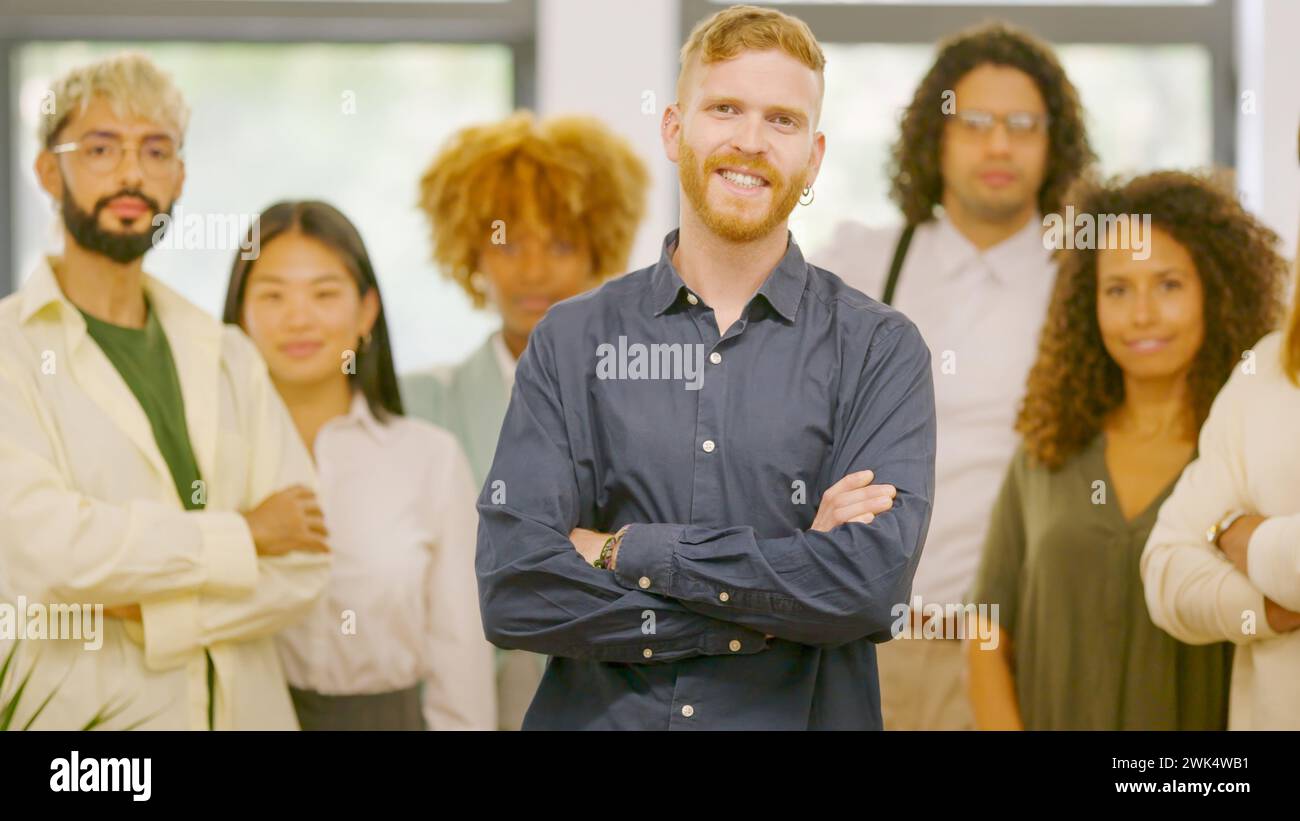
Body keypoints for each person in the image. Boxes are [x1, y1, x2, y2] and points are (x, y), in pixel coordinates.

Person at [476, 3, 934, 730]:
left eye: (781, 121)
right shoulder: (570, 339)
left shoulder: (880, 349)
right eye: (724, 108)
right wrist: (777, 597)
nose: (750, 141)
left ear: (812, 157)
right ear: (674, 129)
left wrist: (625, 548)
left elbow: (866, 589)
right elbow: (516, 589)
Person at [0, 53, 330, 730]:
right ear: (46, 170)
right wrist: (245, 534)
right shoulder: (11, 349)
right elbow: (48, 553)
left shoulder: (227, 352)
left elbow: (303, 563)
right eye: (100, 148)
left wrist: (144, 609)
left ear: (179, 175)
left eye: (156, 150)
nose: (131, 173)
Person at [809, 20, 1093, 730]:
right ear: (934, 136)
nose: (999, 144)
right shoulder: (865, 263)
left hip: (1019, 649)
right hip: (868, 643)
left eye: (1023, 124)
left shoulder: (1083, 282)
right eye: (974, 122)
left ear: (1053, 142)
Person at [968, 171, 1288, 729]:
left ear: (1217, 290)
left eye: (1168, 285)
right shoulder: (1048, 451)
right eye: (1118, 289)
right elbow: (988, 629)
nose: (1141, 314)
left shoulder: (1252, 452)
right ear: (1086, 303)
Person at [404, 111, 648, 729]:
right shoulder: (418, 404)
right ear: (470, 252)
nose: (533, 271)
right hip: (461, 688)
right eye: (507, 244)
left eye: (561, 245)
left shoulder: (649, 394)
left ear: (600, 249)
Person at [223, 201, 494, 730]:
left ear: (366, 310)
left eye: (325, 294)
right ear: (240, 315)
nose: (298, 318)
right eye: (272, 295)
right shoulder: (209, 455)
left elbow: (460, 655)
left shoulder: (428, 459)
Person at [1141, 154, 1300, 729]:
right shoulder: (1266, 371)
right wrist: (1271, 607)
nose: (1143, 313)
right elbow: (1163, 575)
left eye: (1169, 284)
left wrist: (1242, 535)